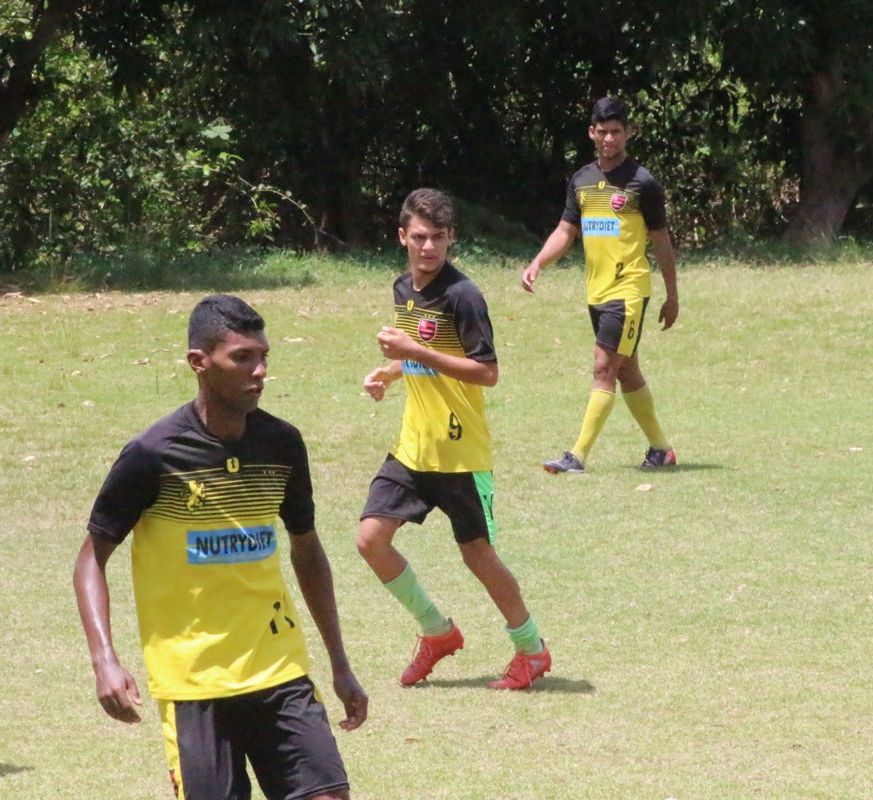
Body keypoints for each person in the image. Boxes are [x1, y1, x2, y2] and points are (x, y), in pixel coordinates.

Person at [74, 294, 367, 800]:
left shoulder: (282, 445)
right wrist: (105, 659)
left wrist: (338, 661)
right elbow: (90, 560)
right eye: (242, 358)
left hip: (279, 668)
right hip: (193, 684)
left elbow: (307, 549)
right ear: (199, 363)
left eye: (263, 356)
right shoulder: (152, 455)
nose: (259, 371)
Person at [357, 188, 551, 691]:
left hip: (461, 453)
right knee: (370, 540)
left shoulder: (463, 295)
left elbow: (486, 373)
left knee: (478, 556)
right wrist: (392, 371)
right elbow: (423, 353)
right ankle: (436, 632)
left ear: (450, 239)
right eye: (419, 237)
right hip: (413, 447)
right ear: (403, 236)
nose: (428, 247)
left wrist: (411, 347)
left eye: (438, 238)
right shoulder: (403, 288)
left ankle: (532, 650)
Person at [521, 96, 680, 474]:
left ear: (629, 133)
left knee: (603, 369)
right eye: (603, 132)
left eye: (617, 132)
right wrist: (538, 262)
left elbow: (661, 241)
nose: (609, 139)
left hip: (628, 291)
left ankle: (576, 457)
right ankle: (662, 450)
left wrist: (672, 295)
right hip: (596, 292)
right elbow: (566, 231)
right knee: (627, 372)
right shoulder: (582, 180)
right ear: (592, 133)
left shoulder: (643, 184)